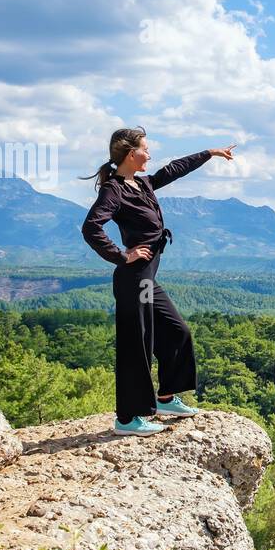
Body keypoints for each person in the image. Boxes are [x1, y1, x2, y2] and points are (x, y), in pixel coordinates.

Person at [80, 127, 236, 435]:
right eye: (145, 150)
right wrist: (122, 255)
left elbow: (173, 170)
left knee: (176, 331)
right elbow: (91, 228)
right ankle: (128, 418)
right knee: (135, 346)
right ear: (130, 153)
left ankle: (165, 396)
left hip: (146, 280)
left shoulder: (141, 184)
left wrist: (209, 153)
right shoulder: (115, 189)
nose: (149, 154)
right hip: (133, 278)